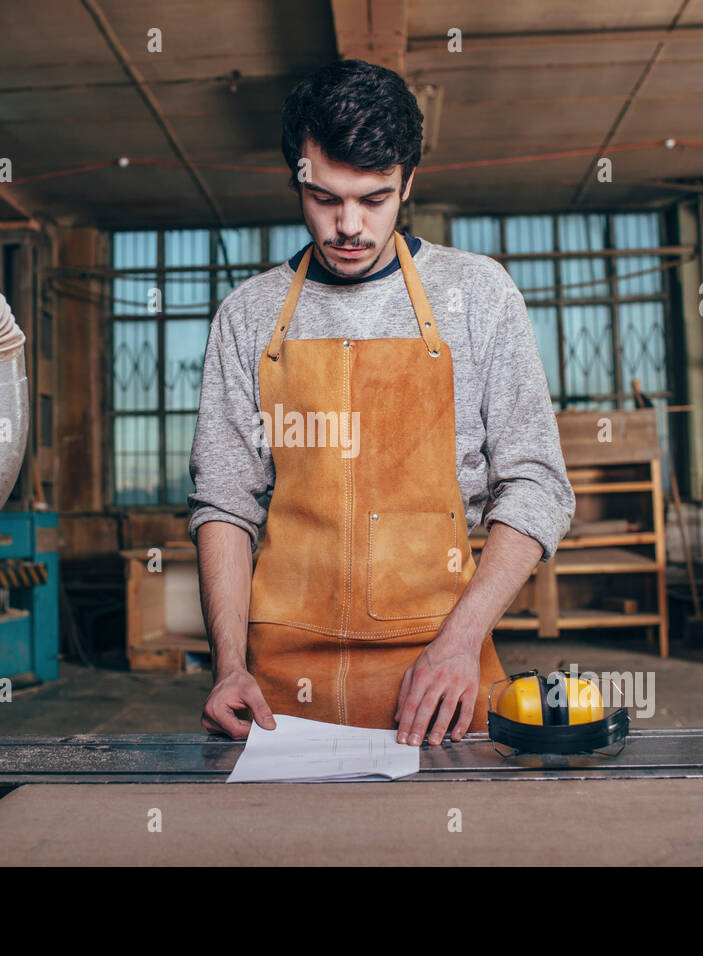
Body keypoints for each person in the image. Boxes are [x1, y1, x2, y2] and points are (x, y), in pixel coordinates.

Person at [187, 59, 574, 747]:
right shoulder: (248, 316)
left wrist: (459, 642)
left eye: (374, 199)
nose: (348, 226)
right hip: (278, 693)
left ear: (409, 183)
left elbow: (538, 485)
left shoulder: (477, 294)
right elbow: (225, 501)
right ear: (296, 179)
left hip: (441, 678)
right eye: (326, 198)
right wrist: (227, 665)